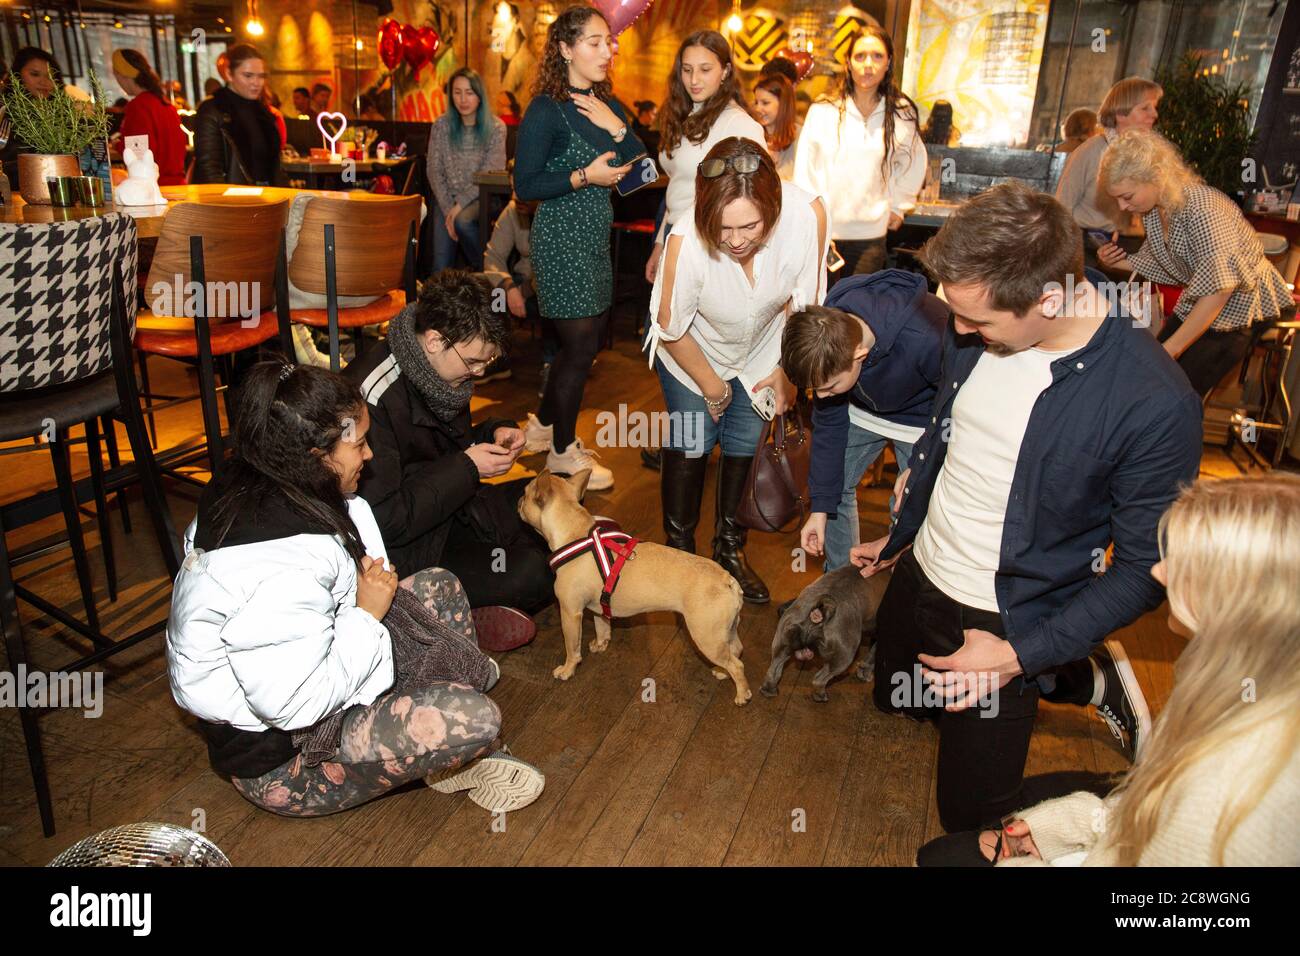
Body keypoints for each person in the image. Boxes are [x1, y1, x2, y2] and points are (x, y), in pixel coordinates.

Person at [855, 181, 1204, 833]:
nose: (956, 331)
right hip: (921, 569)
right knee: (896, 699)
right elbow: (948, 428)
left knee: (971, 823)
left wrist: (1018, 657)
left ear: (1049, 298)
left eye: (978, 322)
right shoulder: (978, 315)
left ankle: (1142, 792)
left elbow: (1140, 573)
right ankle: (1083, 680)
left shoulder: (1153, 402)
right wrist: (906, 523)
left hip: (1009, 617)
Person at [166, 360, 544, 817]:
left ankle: (435, 733)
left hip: (323, 672)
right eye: (360, 443)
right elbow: (296, 705)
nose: (369, 455)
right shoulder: (278, 569)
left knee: (438, 586)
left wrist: (364, 605)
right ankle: (456, 751)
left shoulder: (273, 479)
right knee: (475, 720)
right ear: (314, 454)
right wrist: (366, 615)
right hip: (287, 759)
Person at [919, 474, 1300, 867]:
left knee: (941, 857)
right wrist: (1051, 829)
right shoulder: (1245, 685)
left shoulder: (1228, 792)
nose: (1160, 572)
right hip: (1137, 828)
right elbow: (1147, 804)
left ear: (1243, 597)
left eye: (1186, 561)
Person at [648, 137, 827, 604]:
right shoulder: (686, 238)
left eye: (750, 225)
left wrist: (789, 374)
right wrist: (712, 387)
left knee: (746, 444)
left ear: (774, 204)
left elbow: (805, 308)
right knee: (692, 445)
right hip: (692, 354)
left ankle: (729, 547)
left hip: (763, 352)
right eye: (722, 229)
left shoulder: (807, 216)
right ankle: (679, 553)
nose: (736, 240)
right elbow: (670, 329)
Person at [344, 270, 555, 615]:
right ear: (434, 341)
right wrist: (468, 467)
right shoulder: (370, 400)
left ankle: (463, 608)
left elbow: (442, 445)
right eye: (473, 362)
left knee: (543, 497)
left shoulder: (439, 368)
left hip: (452, 507)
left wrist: (492, 432)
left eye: (486, 361)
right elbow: (386, 521)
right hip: (410, 550)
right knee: (534, 572)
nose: (480, 373)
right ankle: (443, 612)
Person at [513, 4, 644, 491]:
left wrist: (616, 126)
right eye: (593, 41)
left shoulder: (612, 106)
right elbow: (525, 184)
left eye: (608, 40)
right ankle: (563, 453)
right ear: (566, 50)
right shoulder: (547, 109)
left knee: (580, 347)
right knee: (579, 347)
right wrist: (585, 176)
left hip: (594, 239)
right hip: (559, 238)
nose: (606, 50)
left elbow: (641, 174)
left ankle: (544, 429)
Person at [1097, 131, 1296, 398]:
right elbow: (1168, 264)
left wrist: (1173, 349)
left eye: (1127, 196)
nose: (1122, 206)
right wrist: (1118, 261)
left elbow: (1220, 290)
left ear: (1156, 176)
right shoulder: (1156, 209)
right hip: (1206, 299)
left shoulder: (1203, 209)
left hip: (1245, 305)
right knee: (1150, 378)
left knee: (1171, 391)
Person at [781, 269, 946, 574]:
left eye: (829, 386)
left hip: (924, 418)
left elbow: (953, 406)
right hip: (859, 405)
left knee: (909, 503)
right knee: (833, 489)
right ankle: (839, 591)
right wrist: (819, 509)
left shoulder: (927, 334)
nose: (822, 395)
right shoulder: (829, 336)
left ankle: (900, 586)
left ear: (860, 354)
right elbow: (828, 428)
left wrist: (923, 462)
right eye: (816, 389)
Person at [794, 24, 926, 283]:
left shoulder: (900, 113)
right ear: (848, 63)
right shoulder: (824, 109)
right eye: (860, 56)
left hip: (871, 235)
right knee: (822, 311)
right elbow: (805, 170)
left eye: (877, 56)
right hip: (825, 232)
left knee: (858, 313)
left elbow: (914, 160)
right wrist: (813, 220)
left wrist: (900, 206)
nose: (868, 64)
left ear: (888, 63)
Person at [644, 30, 765, 286]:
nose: (694, 80)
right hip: (674, 232)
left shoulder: (739, 124)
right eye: (686, 70)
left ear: (725, 72)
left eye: (705, 69)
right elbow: (681, 186)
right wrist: (660, 241)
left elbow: (755, 201)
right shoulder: (684, 115)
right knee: (664, 324)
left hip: (710, 245)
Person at [1054, 76, 1161, 259]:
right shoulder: (1092, 150)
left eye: (1154, 107)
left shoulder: (1151, 152)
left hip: (1134, 246)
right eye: (1145, 108)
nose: (1154, 114)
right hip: (1086, 248)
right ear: (1120, 114)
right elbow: (1063, 205)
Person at [426, 67, 507, 273]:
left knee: (462, 220)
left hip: (483, 197)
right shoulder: (441, 126)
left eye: (469, 92)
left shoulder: (496, 127)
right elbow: (434, 170)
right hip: (446, 200)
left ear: (480, 96)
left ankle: (486, 271)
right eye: (457, 92)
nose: (463, 99)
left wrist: (459, 206)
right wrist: (448, 210)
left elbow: (491, 172)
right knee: (439, 267)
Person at [482, 170, 551, 387]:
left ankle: (553, 366)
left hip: (548, 290)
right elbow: (493, 257)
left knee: (554, 300)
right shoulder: (514, 210)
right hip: (519, 288)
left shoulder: (556, 213)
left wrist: (523, 292)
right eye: (512, 188)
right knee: (492, 295)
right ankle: (498, 357)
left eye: (521, 189)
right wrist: (509, 288)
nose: (514, 196)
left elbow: (553, 269)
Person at [193, 44, 282, 185]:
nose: (256, 83)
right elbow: (209, 170)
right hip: (230, 199)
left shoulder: (263, 112)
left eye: (261, 76)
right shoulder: (212, 110)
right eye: (248, 76)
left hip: (268, 197)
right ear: (229, 74)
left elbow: (275, 167)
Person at [111, 50, 188, 185]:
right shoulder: (166, 104)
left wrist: (117, 145)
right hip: (179, 186)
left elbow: (138, 155)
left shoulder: (138, 107)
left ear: (121, 74)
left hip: (155, 189)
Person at [1, 47, 60, 183]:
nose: (44, 82)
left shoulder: (60, 115)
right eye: (35, 74)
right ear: (17, 75)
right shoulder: (6, 113)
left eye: (50, 76)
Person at [753, 73, 799, 179]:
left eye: (765, 103)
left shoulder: (801, 137)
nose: (757, 109)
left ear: (783, 104)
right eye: (756, 102)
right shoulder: (753, 134)